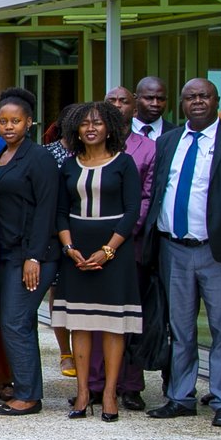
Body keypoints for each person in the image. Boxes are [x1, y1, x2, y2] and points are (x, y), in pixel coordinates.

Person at [144, 79, 221, 428]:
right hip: (173, 249)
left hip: (219, 251)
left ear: (216, 101)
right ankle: (180, 396)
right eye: (190, 97)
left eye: (204, 96)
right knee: (180, 328)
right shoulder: (167, 142)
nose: (197, 101)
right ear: (181, 104)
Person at [53, 100, 142, 422]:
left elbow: (133, 211)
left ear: (110, 128)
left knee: (112, 326)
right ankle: (81, 393)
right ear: (76, 128)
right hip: (76, 251)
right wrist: (69, 248)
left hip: (114, 252)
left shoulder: (124, 163)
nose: (91, 128)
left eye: (98, 123)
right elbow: (60, 211)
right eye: (85, 123)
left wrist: (108, 250)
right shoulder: (69, 165)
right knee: (81, 324)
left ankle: (108, 395)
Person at [85, 85, 159, 409]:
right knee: (94, 318)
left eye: (123, 101)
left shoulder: (147, 148)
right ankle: (96, 384)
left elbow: (145, 197)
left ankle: (130, 384)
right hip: (91, 247)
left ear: (134, 107)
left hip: (131, 246)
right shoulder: (89, 146)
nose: (117, 105)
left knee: (128, 317)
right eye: (111, 101)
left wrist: (122, 233)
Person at [0, 87, 58, 416]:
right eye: (3, 121)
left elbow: (47, 209)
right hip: (4, 252)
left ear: (29, 122)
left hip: (30, 254)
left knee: (16, 321)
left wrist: (35, 256)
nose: (9, 126)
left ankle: (28, 395)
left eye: (16, 120)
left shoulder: (39, 157)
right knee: (15, 322)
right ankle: (24, 386)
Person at [132, 77, 169, 141]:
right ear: (135, 99)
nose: (155, 104)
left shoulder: (177, 135)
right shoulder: (120, 131)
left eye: (161, 99)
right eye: (149, 98)